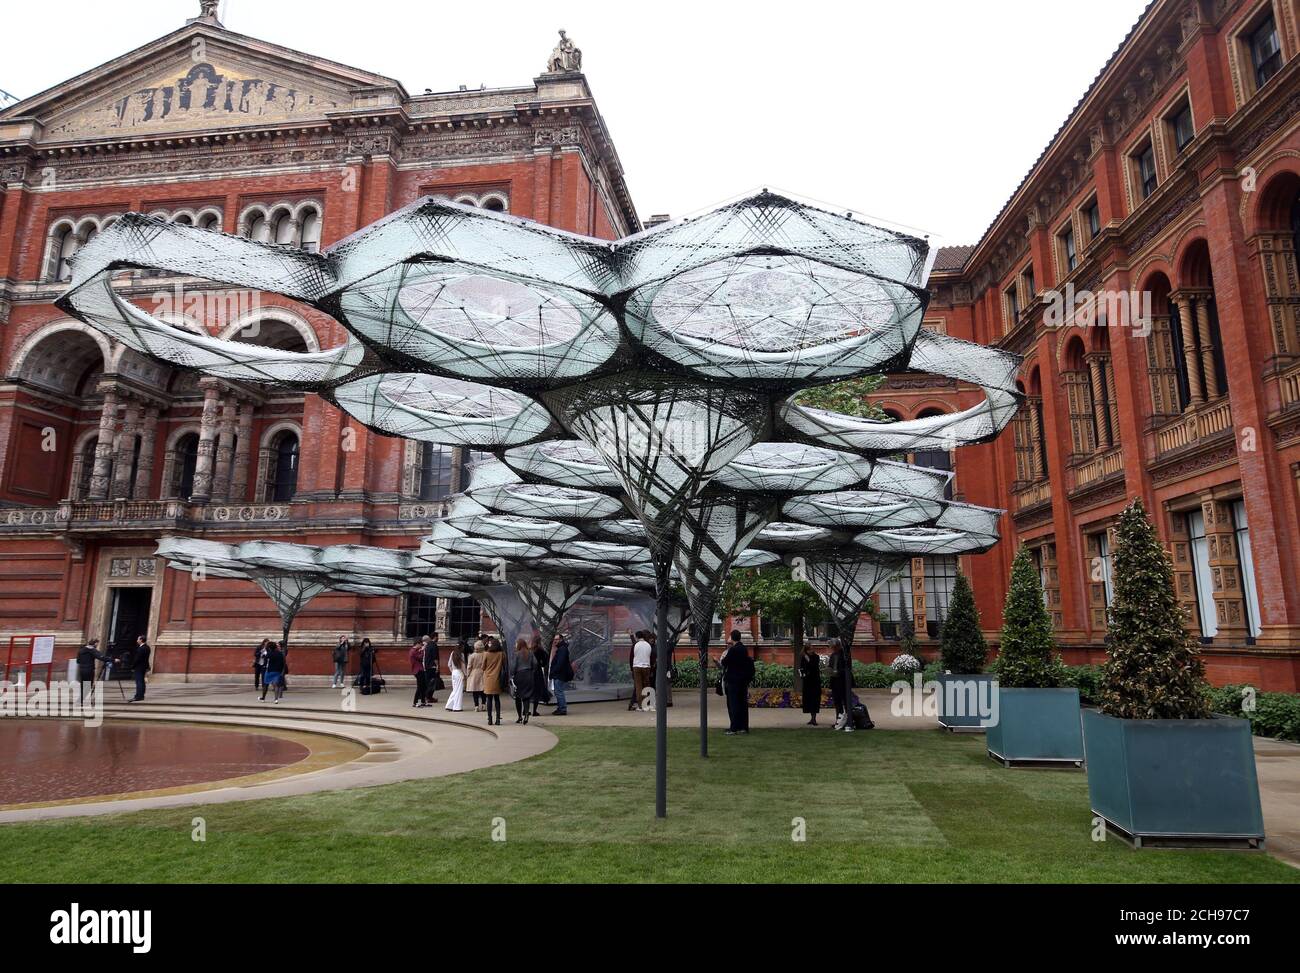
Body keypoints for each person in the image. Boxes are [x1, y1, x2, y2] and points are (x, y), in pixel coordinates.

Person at [719, 629, 754, 734]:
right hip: (743, 680)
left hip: (733, 680)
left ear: (732, 638)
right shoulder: (744, 649)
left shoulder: (733, 650)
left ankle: (734, 728)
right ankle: (743, 727)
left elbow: (724, 662)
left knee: (733, 704)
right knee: (742, 704)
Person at [511, 637, 537, 724]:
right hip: (529, 674)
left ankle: (519, 717)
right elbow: (535, 663)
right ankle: (526, 714)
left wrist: (512, 675)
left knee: (518, 696)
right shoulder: (530, 653)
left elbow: (513, 666)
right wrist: (532, 671)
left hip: (519, 675)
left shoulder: (516, 654)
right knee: (526, 696)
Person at [548, 632, 574, 716]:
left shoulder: (562, 649)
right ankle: (560, 708)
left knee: (559, 691)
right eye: (554, 639)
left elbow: (560, 663)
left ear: (561, 639)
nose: (555, 641)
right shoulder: (561, 648)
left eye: (557, 639)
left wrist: (554, 671)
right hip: (559, 673)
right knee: (558, 691)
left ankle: (562, 709)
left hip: (559, 674)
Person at [76, 638, 108, 704]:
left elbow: (78, 661)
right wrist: (112, 660)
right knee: (88, 685)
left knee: (83, 685)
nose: (97, 645)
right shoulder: (92, 650)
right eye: (97, 644)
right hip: (89, 669)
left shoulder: (81, 650)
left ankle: (81, 700)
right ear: (95, 643)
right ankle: (84, 700)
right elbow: (101, 657)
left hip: (82, 670)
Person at [481, 638, 505, 726]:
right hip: (497, 679)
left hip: (488, 679)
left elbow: (483, 667)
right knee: (497, 699)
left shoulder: (486, 654)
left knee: (489, 699)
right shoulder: (501, 654)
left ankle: (490, 719)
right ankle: (498, 719)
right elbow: (504, 665)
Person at [629, 630, 654, 711]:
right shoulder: (648, 645)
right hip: (646, 667)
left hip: (636, 667)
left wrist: (631, 669)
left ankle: (640, 705)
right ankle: (646, 703)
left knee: (638, 686)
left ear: (637, 637)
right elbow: (651, 657)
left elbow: (631, 657)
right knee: (646, 685)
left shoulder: (635, 645)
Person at [799, 645, 822, 726]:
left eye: (812, 649)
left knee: (815, 699)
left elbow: (813, 665)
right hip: (807, 681)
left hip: (815, 681)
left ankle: (814, 718)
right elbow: (801, 667)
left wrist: (807, 658)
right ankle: (811, 718)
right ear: (806, 650)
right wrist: (802, 673)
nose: (811, 651)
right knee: (809, 699)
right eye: (810, 650)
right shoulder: (803, 657)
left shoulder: (816, 657)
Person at [530, 634, 549, 716]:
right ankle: (534, 711)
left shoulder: (530, 650)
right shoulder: (541, 650)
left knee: (528, 691)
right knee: (537, 692)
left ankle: (525, 710)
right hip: (537, 672)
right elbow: (544, 662)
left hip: (529, 672)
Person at [128, 635, 151, 702]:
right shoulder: (147, 647)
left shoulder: (141, 649)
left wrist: (133, 666)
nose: (137, 640)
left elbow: (137, 659)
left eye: (138, 639)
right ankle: (142, 695)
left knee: (139, 682)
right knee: (142, 682)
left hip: (139, 667)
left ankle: (138, 696)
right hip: (144, 667)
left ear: (141, 640)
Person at [444, 641, 466, 712]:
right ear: (461, 647)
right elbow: (463, 666)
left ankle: (449, 705)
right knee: (459, 691)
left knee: (455, 690)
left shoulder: (452, 653)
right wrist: (465, 674)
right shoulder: (461, 654)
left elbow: (449, 664)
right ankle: (457, 707)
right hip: (459, 672)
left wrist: (452, 671)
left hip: (454, 672)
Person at [466, 639, 487, 711]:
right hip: (483, 672)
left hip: (474, 673)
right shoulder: (485, 654)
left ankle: (476, 706)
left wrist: (467, 675)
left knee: (475, 691)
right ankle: (484, 705)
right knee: (483, 690)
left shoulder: (472, 656)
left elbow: (469, 666)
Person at [422, 634, 440, 703]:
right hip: (432, 666)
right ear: (435, 637)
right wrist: (437, 666)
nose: (438, 638)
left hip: (427, 666)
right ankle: (429, 697)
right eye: (437, 637)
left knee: (428, 682)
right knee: (433, 683)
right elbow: (435, 657)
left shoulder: (427, 645)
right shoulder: (434, 645)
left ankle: (427, 697)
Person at [409, 639, 428, 707]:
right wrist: (422, 650)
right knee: (420, 686)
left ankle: (423, 701)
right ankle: (415, 702)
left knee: (423, 686)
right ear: (417, 644)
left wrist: (420, 650)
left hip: (420, 670)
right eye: (420, 644)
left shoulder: (415, 650)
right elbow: (420, 657)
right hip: (418, 670)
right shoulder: (413, 651)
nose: (421, 646)